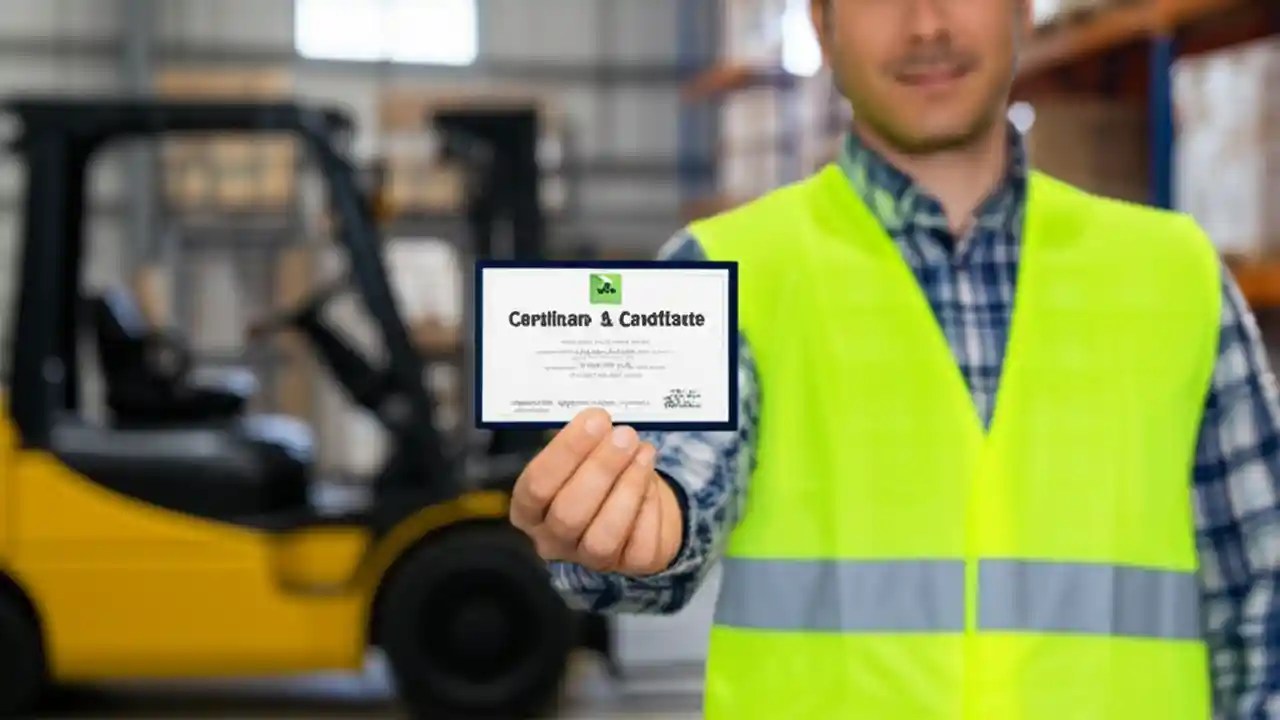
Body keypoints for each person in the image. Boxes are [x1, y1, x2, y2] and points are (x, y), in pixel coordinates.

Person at [508, 0, 1280, 717]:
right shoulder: (725, 268)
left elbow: (1263, 598)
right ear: (821, 22)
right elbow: (672, 479)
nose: (925, 26)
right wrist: (623, 527)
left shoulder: (1174, 273)